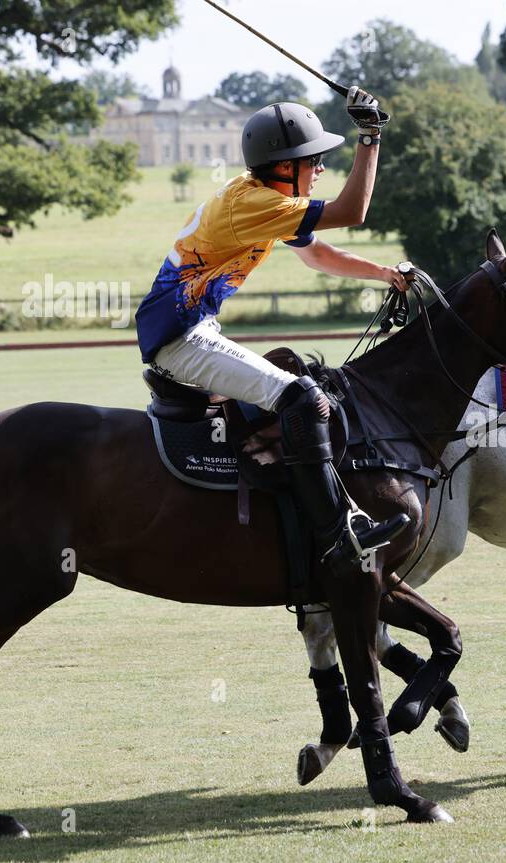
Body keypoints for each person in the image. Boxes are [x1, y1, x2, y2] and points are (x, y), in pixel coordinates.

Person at [133, 90, 410, 568]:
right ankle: (342, 532)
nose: (321, 168)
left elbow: (319, 254)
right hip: (181, 338)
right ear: (285, 166)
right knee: (303, 396)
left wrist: (384, 273)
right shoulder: (255, 205)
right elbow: (352, 212)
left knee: (296, 384)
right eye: (315, 160)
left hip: (197, 330)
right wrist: (370, 137)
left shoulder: (263, 196)